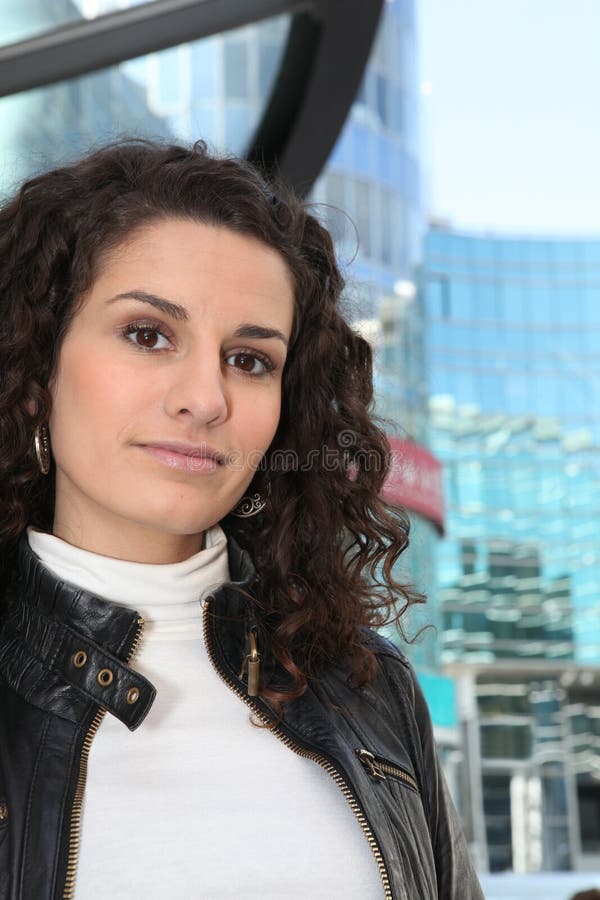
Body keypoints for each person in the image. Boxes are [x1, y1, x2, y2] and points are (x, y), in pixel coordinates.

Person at [0, 140, 483, 900]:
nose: (206, 398)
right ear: (34, 371)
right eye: (147, 335)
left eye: (250, 359)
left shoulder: (371, 687)